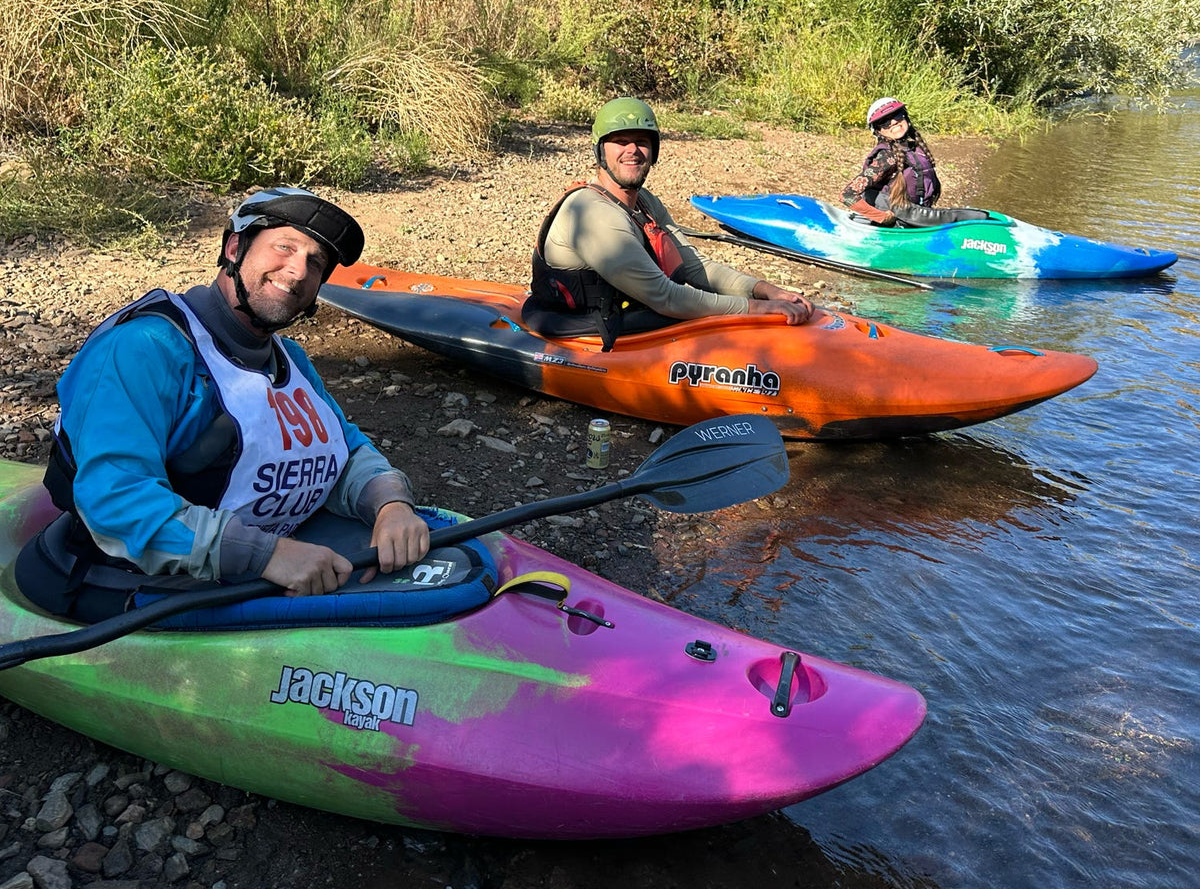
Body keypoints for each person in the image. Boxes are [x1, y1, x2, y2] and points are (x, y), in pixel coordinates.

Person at [19, 187, 430, 621]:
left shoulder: (289, 359)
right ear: (235, 247)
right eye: (285, 247)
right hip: (119, 580)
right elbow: (115, 499)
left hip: (256, 558)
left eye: (315, 263)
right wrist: (266, 556)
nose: (297, 272)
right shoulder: (145, 347)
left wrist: (390, 505)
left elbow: (344, 450)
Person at [524, 98, 813, 349]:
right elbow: (666, 298)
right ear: (600, 151)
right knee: (700, 316)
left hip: (627, 310)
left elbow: (694, 266)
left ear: (654, 150)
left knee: (705, 304)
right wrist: (756, 310)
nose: (633, 150)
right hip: (579, 325)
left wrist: (765, 290)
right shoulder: (592, 212)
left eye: (642, 142)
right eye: (621, 142)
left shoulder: (644, 202)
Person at [842, 97, 942, 225]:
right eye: (884, 121)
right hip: (894, 225)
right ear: (878, 131)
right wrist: (881, 217)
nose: (893, 122)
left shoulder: (915, 149)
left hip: (915, 219)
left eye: (897, 115)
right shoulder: (887, 158)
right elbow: (847, 194)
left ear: (906, 117)